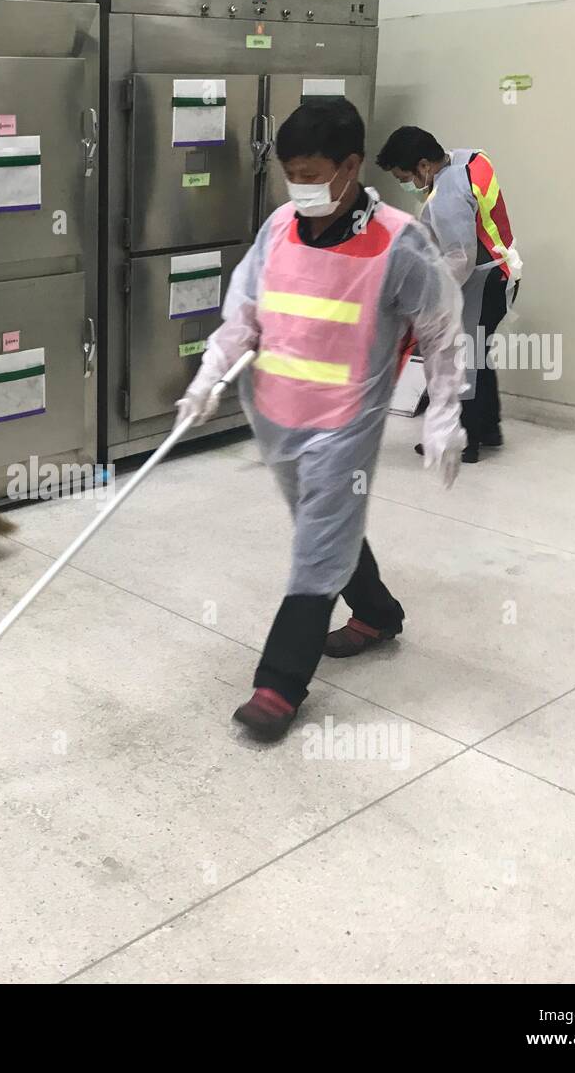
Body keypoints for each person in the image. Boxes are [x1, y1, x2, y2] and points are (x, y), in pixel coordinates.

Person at [176, 100, 467, 742]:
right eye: (291, 174)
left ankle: (278, 686)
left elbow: (442, 332)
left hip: (345, 422)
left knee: (314, 549)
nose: (300, 188)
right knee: (324, 526)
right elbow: (245, 313)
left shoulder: (399, 241)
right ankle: (378, 614)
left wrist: (444, 413)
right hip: (275, 416)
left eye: (314, 174)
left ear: (352, 166)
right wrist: (206, 377)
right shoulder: (279, 225)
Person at [376, 127, 522, 461]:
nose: (408, 185)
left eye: (405, 177)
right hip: (502, 272)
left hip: (481, 281)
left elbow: (460, 257)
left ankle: (462, 442)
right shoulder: (471, 159)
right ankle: (488, 429)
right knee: (476, 355)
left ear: (424, 166)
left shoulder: (447, 196)